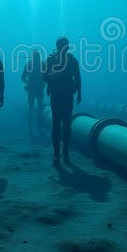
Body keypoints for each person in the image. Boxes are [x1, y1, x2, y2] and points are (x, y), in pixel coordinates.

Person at [43, 36, 81, 165]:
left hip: (67, 95)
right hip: (56, 95)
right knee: (56, 124)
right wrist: (53, 77)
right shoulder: (51, 60)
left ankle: (64, 151)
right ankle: (56, 153)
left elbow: (77, 77)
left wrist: (79, 92)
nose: (65, 48)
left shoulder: (72, 61)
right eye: (63, 45)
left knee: (66, 124)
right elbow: (44, 76)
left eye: (66, 45)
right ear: (58, 47)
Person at [21, 51, 45, 136]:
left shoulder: (32, 64)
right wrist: (28, 83)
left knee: (36, 109)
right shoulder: (36, 64)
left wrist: (28, 83)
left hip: (36, 90)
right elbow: (23, 77)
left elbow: (23, 78)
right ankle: (32, 127)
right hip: (35, 89)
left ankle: (35, 127)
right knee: (34, 108)